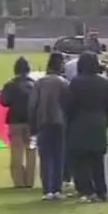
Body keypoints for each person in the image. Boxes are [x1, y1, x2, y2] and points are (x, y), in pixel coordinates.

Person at [66, 51, 108, 203]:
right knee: (97, 160)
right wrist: (105, 119)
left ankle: (87, 191)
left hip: (79, 123)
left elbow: (70, 105)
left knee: (80, 160)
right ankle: (101, 191)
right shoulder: (106, 83)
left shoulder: (76, 83)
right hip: (99, 123)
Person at [30, 52, 69, 200]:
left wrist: (33, 123)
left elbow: (32, 104)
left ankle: (47, 190)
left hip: (43, 122)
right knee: (58, 156)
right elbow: (68, 104)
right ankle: (57, 189)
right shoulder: (63, 83)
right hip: (59, 123)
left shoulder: (39, 83)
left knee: (45, 157)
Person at [0, 57, 37, 188]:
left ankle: (19, 181)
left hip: (15, 121)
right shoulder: (34, 84)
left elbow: (3, 102)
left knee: (16, 153)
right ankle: (29, 181)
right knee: (31, 152)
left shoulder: (10, 85)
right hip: (31, 122)